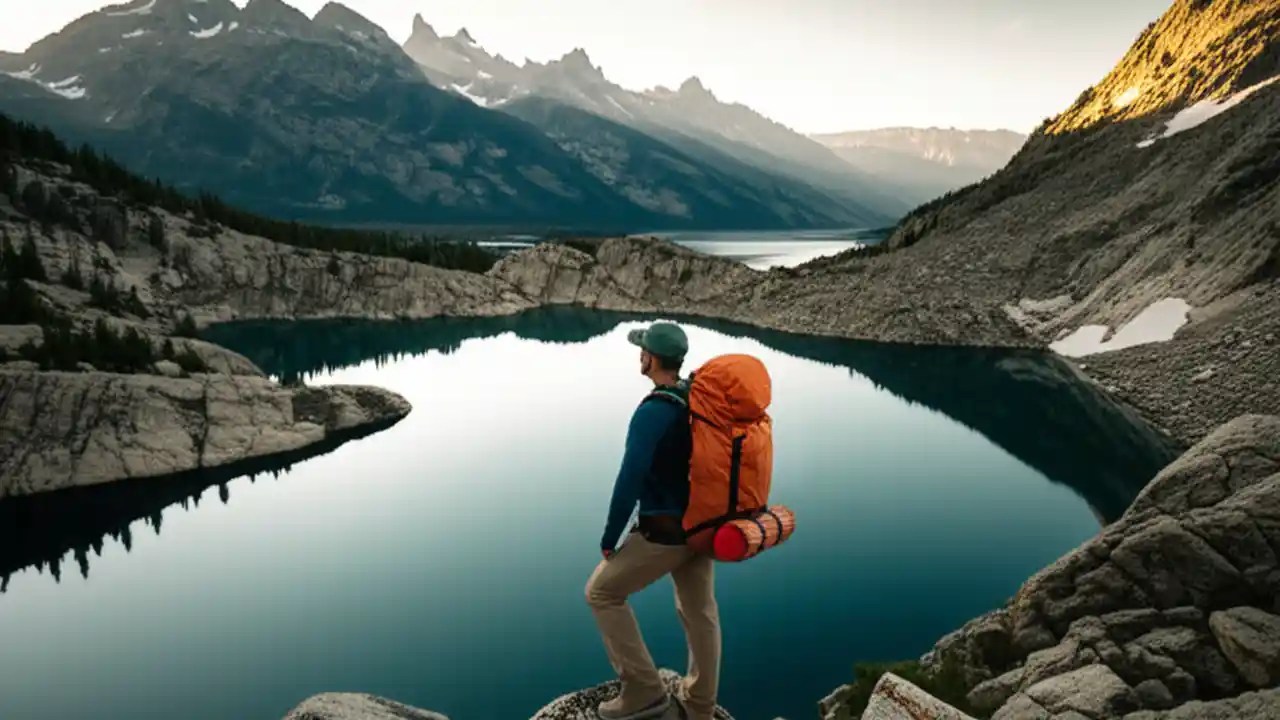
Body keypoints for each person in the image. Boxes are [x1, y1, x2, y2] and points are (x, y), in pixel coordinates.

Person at [585, 322, 721, 720]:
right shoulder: (694, 397)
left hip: (667, 533)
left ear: (651, 358)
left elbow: (631, 477)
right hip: (704, 525)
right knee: (700, 611)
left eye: (642, 349)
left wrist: (611, 536)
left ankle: (644, 691)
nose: (638, 355)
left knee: (602, 593)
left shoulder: (655, 410)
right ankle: (700, 707)